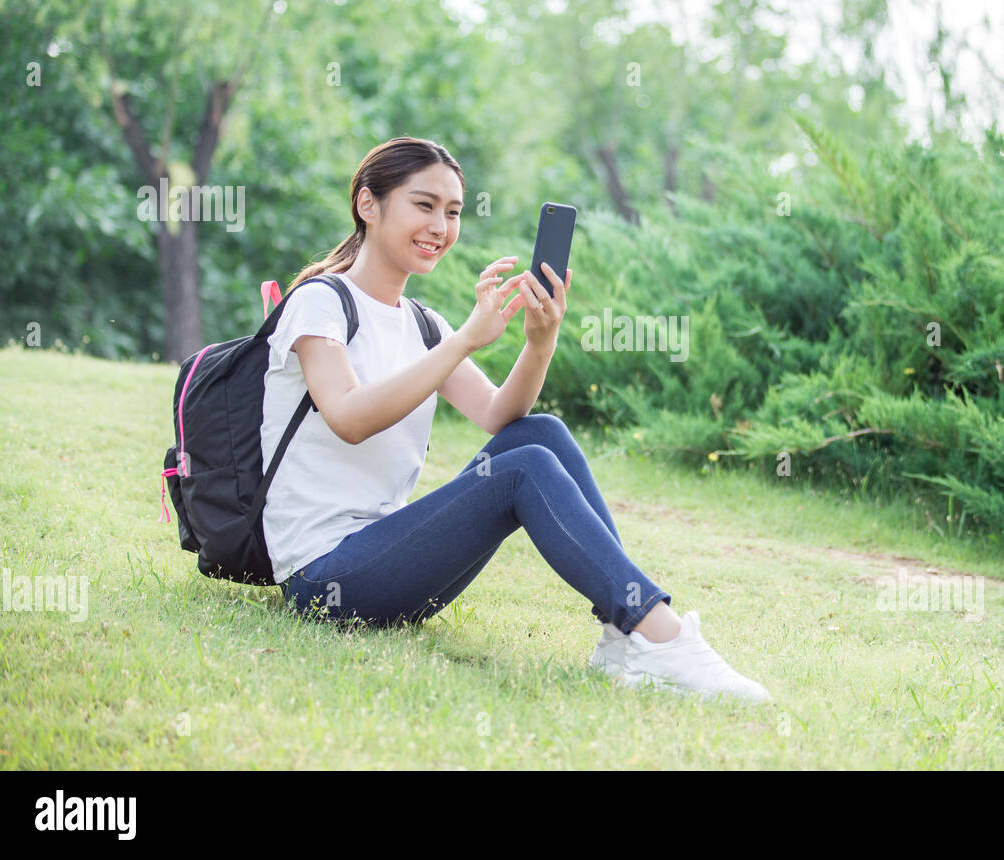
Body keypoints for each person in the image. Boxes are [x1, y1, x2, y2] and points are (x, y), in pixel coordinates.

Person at [267, 136, 770, 704]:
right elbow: (349, 418)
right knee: (524, 467)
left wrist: (540, 338)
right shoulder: (320, 302)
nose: (441, 226)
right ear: (368, 204)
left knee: (540, 434)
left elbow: (500, 416)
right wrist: (462, 341)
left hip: (389, 562)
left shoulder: (422, 324)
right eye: (424, 205)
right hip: (324, 578)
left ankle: (620, 636)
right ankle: (663, 638)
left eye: (453, 212)